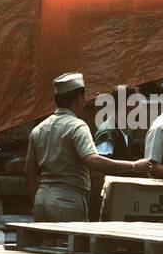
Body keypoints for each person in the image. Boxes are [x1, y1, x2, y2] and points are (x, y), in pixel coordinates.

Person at [25, 72, 152, 222]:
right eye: (84, 97)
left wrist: (36, 201)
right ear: (79, 98)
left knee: (45, 244)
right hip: (68, 201)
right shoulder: (77, 126)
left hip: (41, 199)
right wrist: (134, 166)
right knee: (74, 244)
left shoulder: (39, 128)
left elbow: (29, 171)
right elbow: (94, 161)